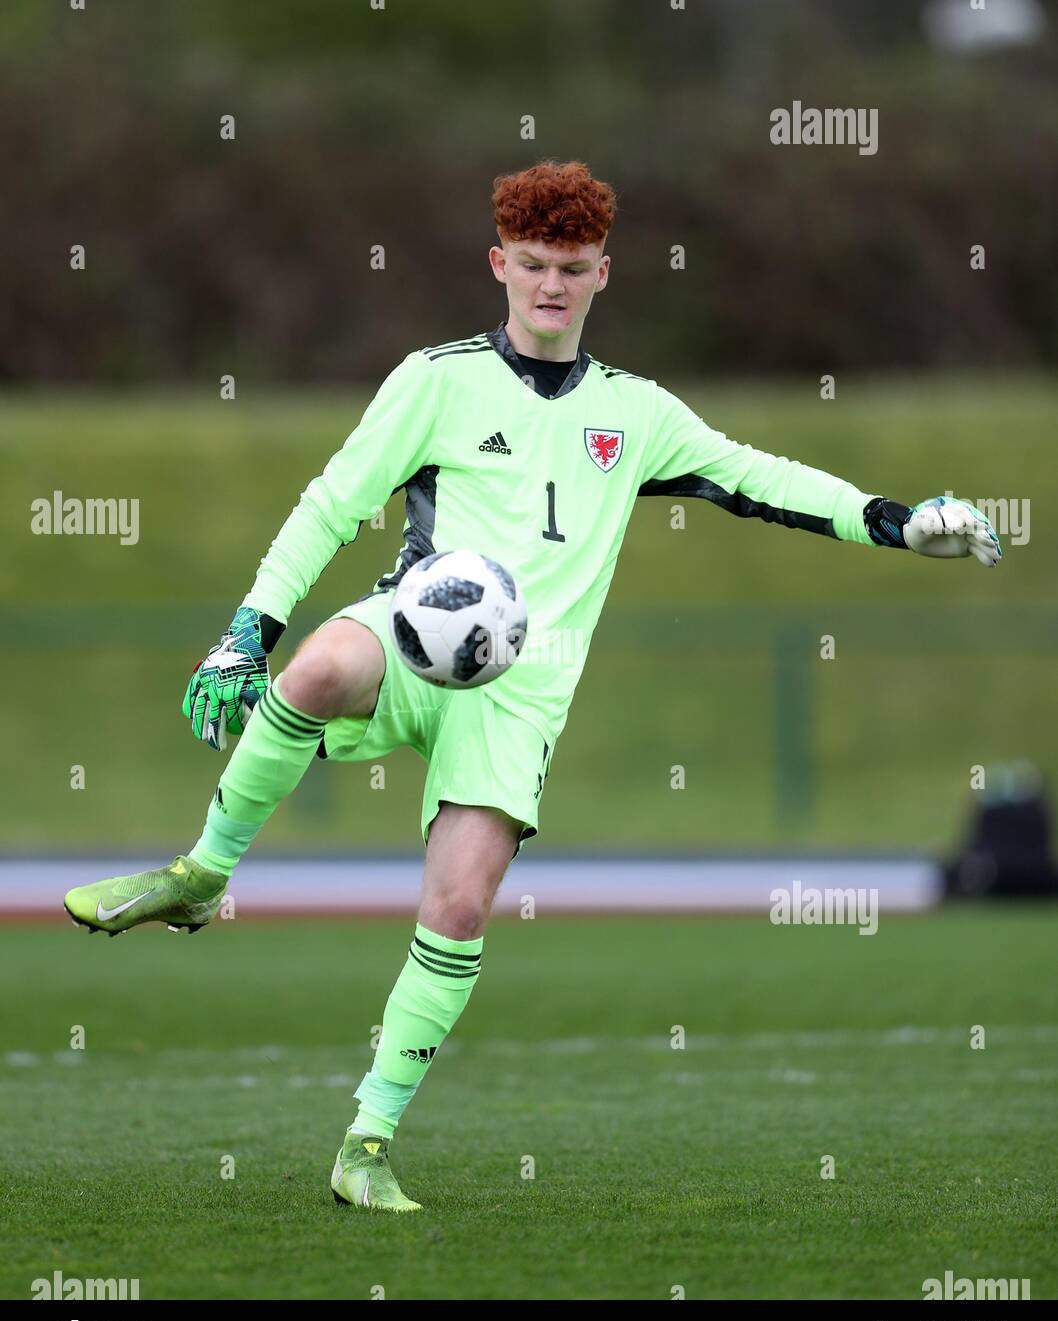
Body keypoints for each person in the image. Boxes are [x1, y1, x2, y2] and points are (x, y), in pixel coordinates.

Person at [64, 160, 1002, 1211]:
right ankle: (202, 872)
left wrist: (893, 517)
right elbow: (332, 502)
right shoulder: (435, 380)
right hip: (412, 632)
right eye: (533, 266)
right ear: (497, 265)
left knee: (458, 909)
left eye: (572, 269)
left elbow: (758, 478)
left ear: (603, 275)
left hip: (521, 694)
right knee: (320, 664)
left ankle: (365, 1146)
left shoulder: (634, 413)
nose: (550, 286)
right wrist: (246, 630)